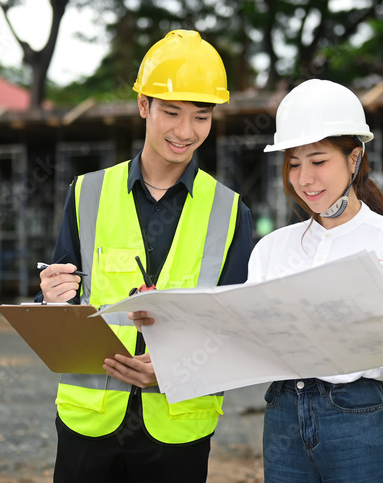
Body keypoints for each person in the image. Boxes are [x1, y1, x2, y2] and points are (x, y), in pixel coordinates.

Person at [36, 29, 254, 483]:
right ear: (143, 107)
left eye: (201, 116)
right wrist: (52, 301)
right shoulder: (86, 194)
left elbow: (237, 328)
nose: (184, 131)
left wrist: (176, 368)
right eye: (171, 112)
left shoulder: (232, 213)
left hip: (178, 426)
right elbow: (64, 309)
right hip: (89, 422)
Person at [247, 79, 383, 482]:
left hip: (360, 416)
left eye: (318, 161)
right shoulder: (271, 250)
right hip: (282, 411)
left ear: (354, 159)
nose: (304, 179)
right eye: (294, 163)